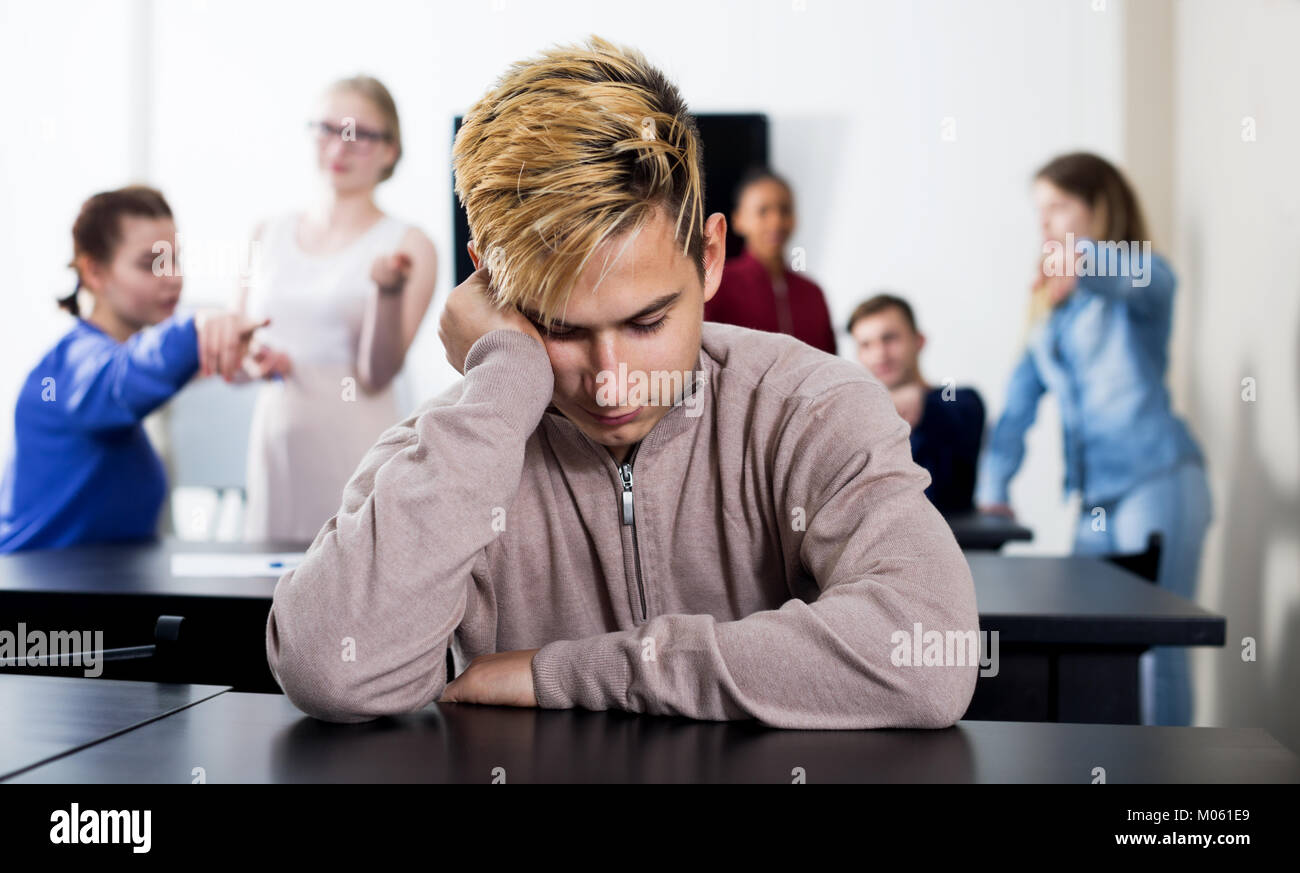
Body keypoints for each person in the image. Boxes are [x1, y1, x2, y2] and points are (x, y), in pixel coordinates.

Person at [266, 36, 978, 729]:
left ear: (709, 256)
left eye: (647, 321)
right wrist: (506, 377)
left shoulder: (810, 405)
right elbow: (330, 665)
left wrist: (571, 672)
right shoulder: (459, 437)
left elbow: (929, 655)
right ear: (488, 286)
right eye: (560, 329)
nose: (611, 386)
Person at [976, 152, 1212, 726]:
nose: (1046, 223)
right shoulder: (1051, 313)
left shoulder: (1135, 281)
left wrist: (1078, 259)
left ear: (1098, 206)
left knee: (1159, 651)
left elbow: (1156, 280)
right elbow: (1017, 408)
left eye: (1059, 206)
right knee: (1085, 643)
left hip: (1158, 480)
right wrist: (993, 486)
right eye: (1040, 212)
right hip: (1095, 501)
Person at [0, 186, 273, 553]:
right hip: (37, 597)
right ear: (94, 272)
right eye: (151, 263)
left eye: (176, 259)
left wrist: (235, 359)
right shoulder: (73, 365)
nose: (173, 277)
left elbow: (148, 369)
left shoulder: (114, 355)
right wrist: (196, 328)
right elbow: (121, 380)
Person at [240, 75, 438, 542]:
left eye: (360, 134)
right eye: (328, 129)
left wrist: (386, 293)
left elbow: (379, 371)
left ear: (391, 150)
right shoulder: (266, 232)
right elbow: (238, 352)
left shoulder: (408, 244)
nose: (340, 147)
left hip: (355, 450)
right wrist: (253, 360)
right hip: (276, 452)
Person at [848, 293, 985, 515]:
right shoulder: (855, 417)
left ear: (918, 340)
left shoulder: (960, 401)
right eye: (866, 345)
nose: (880, 354)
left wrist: (921, 399)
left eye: (890, 338)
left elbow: (960, 412)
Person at [703, 167, 837, 354]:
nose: (776, 222)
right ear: (738, 220)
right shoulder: (716, 285)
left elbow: (832, 367)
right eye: (763, 211)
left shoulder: (813, 293)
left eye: (785, 210)